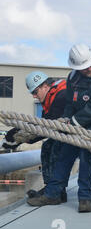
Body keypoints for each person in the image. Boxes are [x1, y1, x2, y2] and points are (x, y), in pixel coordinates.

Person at [27, 44, 91, 213]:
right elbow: (70, 103)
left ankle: (84, 198)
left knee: (87, 150)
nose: (88, 69)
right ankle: (53, 193)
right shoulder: (73, 77)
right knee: (65, 149)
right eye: (83, 67)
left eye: (90, 65)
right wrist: (67, 119)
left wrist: (73, 123)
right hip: (83, 117)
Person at [2, 71, 67, 202]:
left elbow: (45, 126)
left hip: (80, 133)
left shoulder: (61, 96)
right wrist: (19, 138)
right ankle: (52, 188)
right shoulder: (51, 99)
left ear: (45, 86)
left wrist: (16, 136)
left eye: (35, 92)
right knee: (48, 146)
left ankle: (55, 192)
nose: (34, 96)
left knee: (53, 148)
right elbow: (41, 128)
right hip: (66, 133)